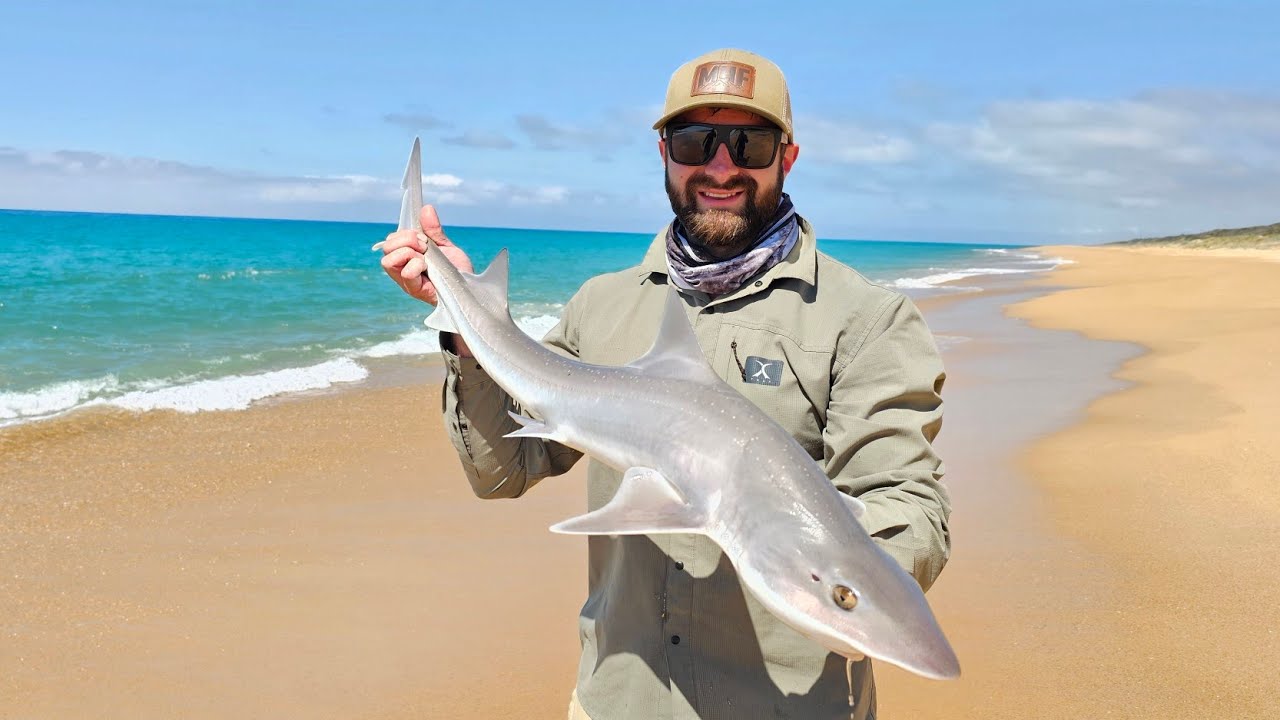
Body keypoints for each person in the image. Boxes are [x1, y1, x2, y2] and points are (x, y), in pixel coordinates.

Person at [380, 48, 950, 720]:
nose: (720, 165)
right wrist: (461, 328)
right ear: (664, 152)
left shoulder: (866, 321)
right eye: (694, 140)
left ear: (787, 157)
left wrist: (843, 568)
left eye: (750, 142)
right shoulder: (603, 305)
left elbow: (906, 501)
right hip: (619, 701)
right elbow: (504, 470)